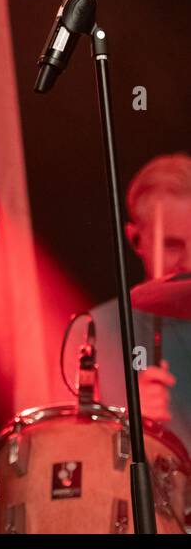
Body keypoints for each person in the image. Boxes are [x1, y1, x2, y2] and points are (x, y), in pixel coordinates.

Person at [69, 153, 191, 450]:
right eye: (172, 245)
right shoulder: (92, 333)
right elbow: (68, 467)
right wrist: (124, 425)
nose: (189, 261)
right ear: (135, 239)